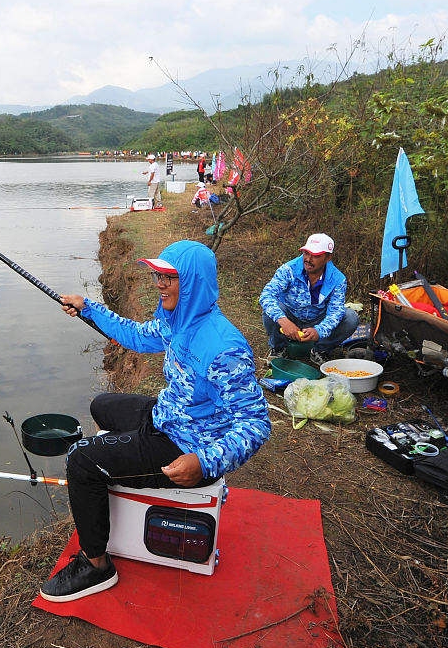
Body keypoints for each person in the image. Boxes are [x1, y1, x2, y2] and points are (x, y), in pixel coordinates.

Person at [43, 240, 271, 602]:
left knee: (80, 459)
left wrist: (205, 461)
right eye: (157, 275)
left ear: (193, 282)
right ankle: (120, 464)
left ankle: (96, 565)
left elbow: (257, 422)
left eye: (169, 277)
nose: (158, 283)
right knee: (102, 405)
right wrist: (89, 309)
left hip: (186, 444)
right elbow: (138, 336)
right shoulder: (177, 318)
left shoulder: (224, 348)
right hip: (168, 414)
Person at [259, 233, 359, 365]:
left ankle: (320, 350)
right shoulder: (289, 269)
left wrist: (319, 330)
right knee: (271, 308)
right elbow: (266, 294)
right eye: (306, 253)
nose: (308, 259)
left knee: (351, 317)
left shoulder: (338, 279)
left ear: (328, 257)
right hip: (290, 315)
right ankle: (278, 347)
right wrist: (283, 321)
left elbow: (336, 311)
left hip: (317, 319)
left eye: (316, 256)